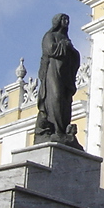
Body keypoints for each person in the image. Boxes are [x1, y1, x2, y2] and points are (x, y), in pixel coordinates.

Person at [35, 13, 81, 143]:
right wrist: (64, 46)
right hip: (52, 72)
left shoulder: (66, 39)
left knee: (65, 101)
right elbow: (50, 50)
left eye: (67, 19)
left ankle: (63, 130)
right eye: (63, 19)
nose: (66, 21)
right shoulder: (50, 36)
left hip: (65, 74)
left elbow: (75, 56)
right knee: (55, 97)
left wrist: (72, 51)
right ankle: (56, 130)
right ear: (57, 21)